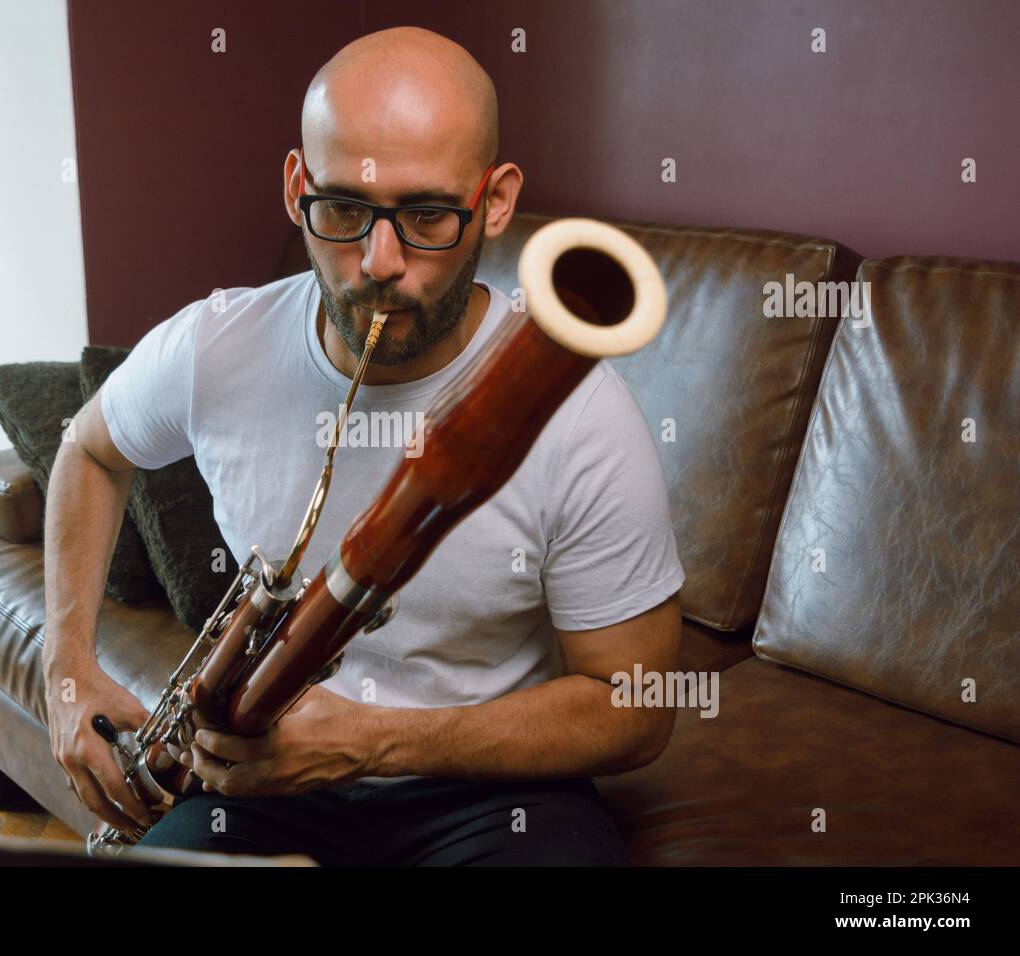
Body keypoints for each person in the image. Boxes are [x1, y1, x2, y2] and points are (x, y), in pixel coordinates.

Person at [43, 26, 684, 866]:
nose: (378, 265)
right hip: (259, 781)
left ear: (494, 201)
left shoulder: (583, 414)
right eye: (343, 209)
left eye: (426, 216)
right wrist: (66, 665)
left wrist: (375, 741)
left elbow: (634, 706)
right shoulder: (214, 345)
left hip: (492, 792)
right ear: (295, 186)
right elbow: (88, 451)